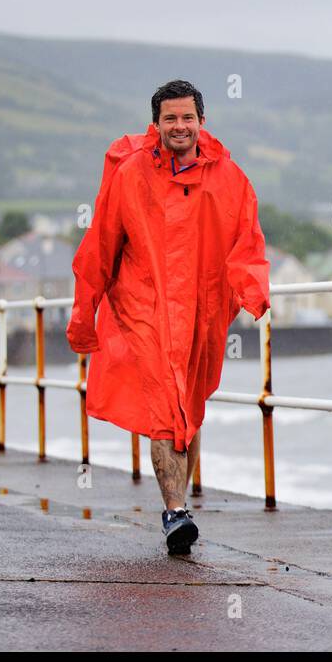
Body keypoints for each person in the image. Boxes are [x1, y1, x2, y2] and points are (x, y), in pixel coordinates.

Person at [67, 79, 270, 554]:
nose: (179, 126)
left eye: (187, 118)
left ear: (202, 121)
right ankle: (175, 511)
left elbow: (248, 239)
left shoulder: (229, 177)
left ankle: (180, 509)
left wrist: (252, 292)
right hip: (145, 308)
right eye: (170, 119)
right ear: (156, 123)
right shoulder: (132, 174)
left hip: (202, 310)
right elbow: (101, 243)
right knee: (164, 406)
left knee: (189, 410)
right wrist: (84, 312)